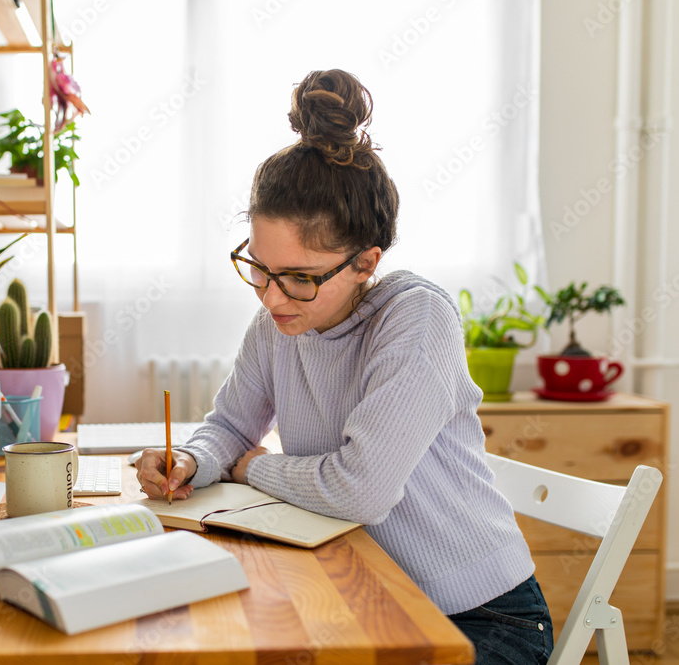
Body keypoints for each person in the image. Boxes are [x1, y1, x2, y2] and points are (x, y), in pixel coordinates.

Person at [134, 68, 553, 664]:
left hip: (482, 618)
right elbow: (229, 426)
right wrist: (195, 459)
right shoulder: (280, 323)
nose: (272, 297)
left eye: (301, 277)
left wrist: (252, 468)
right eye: (259, 267)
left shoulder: (415, 321)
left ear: (365, 262)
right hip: (369, 589)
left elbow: (359, 490)